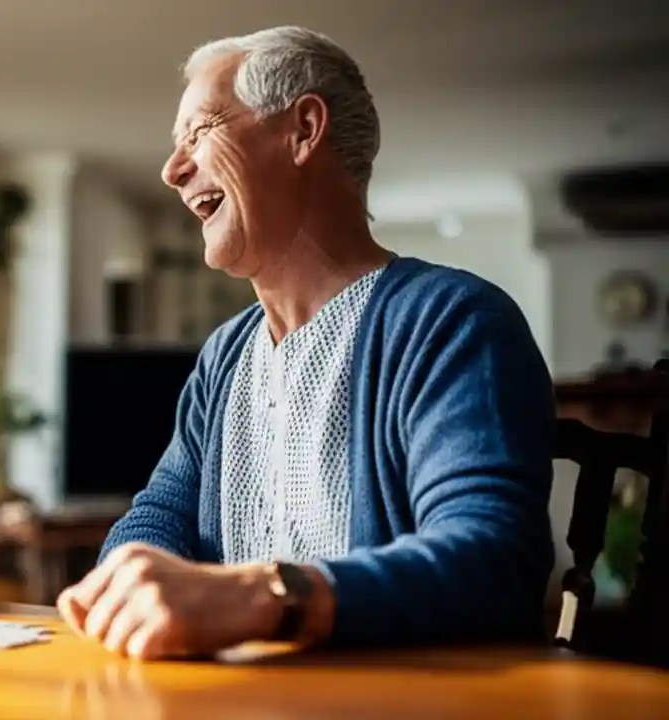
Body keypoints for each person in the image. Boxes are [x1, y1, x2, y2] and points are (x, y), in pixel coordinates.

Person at [57, 26, 555, 658]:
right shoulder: (224, 356)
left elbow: (493, 557)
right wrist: (131, 576)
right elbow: (159, 515)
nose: (172, 170)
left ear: (303, 130)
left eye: (200, 131)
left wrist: (265, 598)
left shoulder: (453, 320)